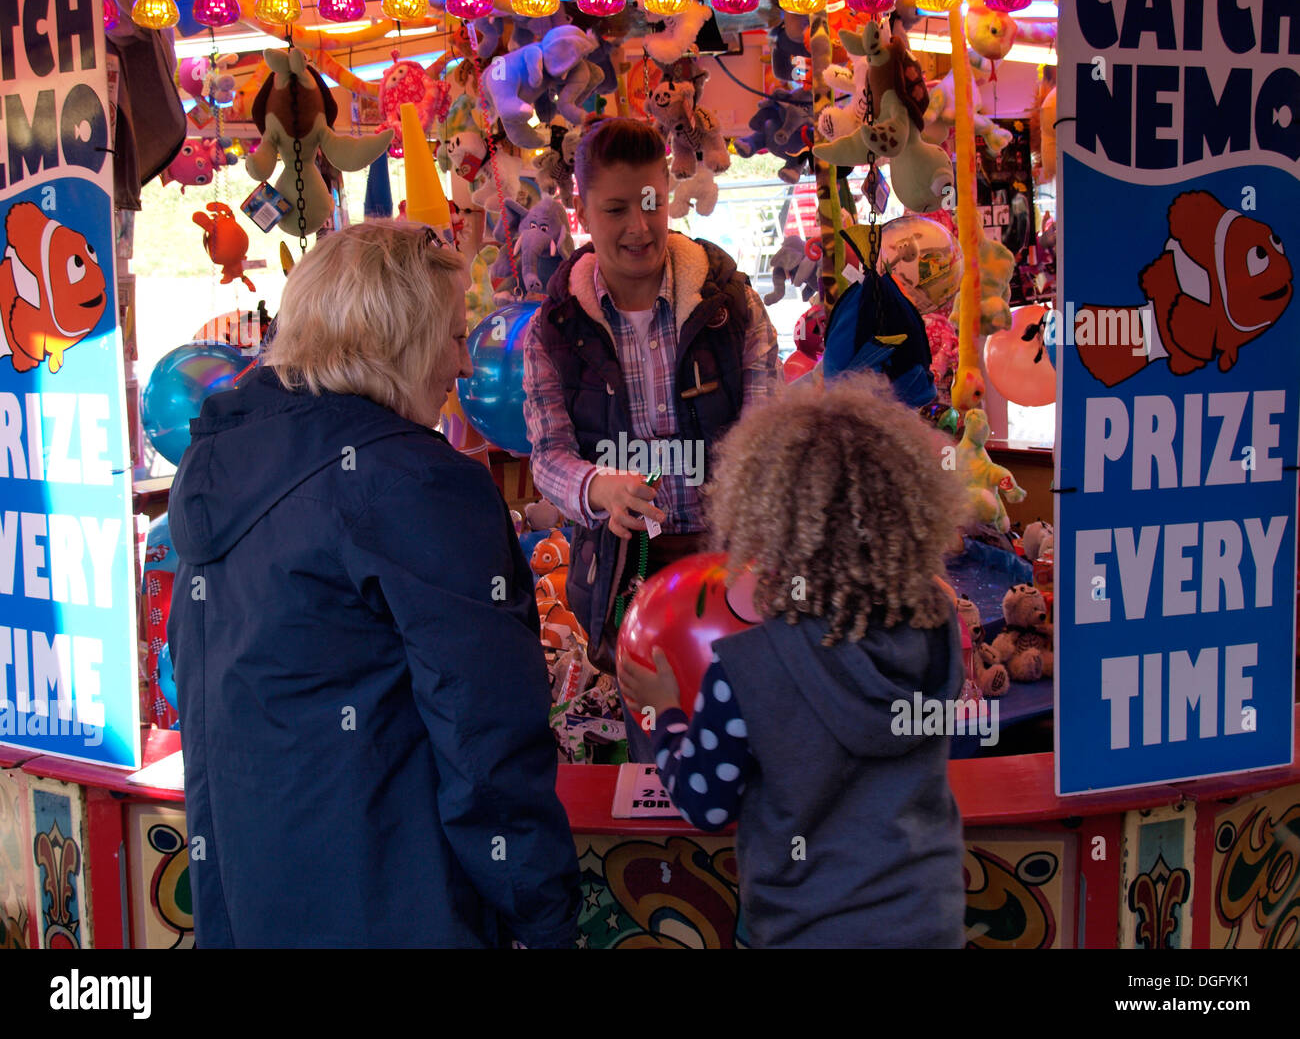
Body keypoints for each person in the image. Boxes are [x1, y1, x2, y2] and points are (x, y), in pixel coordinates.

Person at [168, 221, 580, 948]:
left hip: (256, 901)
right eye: (454, 337)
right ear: (401, 337)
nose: (462, 364)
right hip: (400, 907)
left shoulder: (221, 464)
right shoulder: (412, 485)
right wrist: (544, 915)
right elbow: (486, 740)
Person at [619, 373, 969, 949]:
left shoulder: (750, 666)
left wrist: (666, 715)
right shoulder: (935, 628)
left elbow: (705, 802)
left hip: (804, 930)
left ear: (768, 523)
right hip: (926, 921)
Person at [523, 117, 781, 760]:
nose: (639, 227)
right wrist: (596, 486)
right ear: (581, 210)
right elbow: (547, 454)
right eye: (615, 209)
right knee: (661, 761)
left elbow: (771, 434)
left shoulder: (734, 308)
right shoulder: (551, 330)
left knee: (763, 750)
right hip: (624, 579)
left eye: (649, 203)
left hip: (734, 564)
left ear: (666, 192)